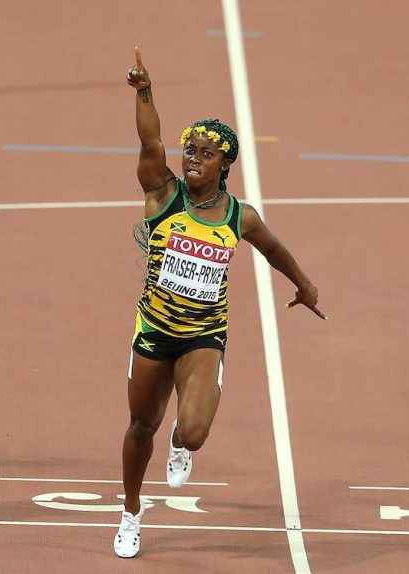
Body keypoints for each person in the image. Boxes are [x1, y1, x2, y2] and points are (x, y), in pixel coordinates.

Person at [114, 47, 326, 558]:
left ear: (224, 164)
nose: (193, 158)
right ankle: (131, 513)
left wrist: (305, 284)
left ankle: (181, 443)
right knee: (141, 425)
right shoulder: (162, 194)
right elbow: (149, 139)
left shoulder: (239, 216)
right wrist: (145, 91)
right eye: (190, 150)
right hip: (154, 331)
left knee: (194, 432)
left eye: (206, 154)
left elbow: (273, 249)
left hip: (204, 335)